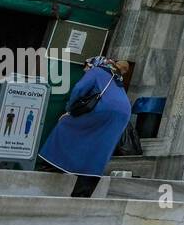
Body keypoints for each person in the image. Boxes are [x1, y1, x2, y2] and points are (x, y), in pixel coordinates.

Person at [38, 56, 132, 197]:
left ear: (93, 64)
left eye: (86, 66)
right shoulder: (115, 77)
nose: (85, 69)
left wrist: (69, 110)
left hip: (105, 109)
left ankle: (52, 165)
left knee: (66, 124)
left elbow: (79, 88)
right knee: (100, 148)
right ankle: (83, 191)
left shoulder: (97, 71)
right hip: (124, 113)